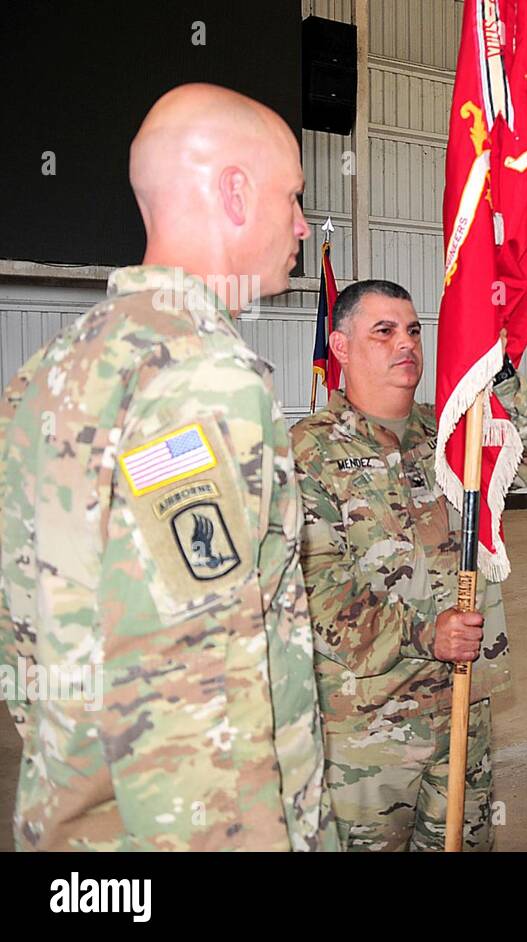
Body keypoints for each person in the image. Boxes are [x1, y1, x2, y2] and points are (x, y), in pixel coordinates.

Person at [0, 84, 337, 850]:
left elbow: (22, 630)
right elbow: (195, 703)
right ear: (236, 191)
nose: (301, 223)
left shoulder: (47, 372)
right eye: (293, 196)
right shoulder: (202, 379)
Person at [292, 279, 527, 851]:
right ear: (339, 348)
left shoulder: (451, 435)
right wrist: (424, 634)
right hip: (369, 730)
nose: (406, 344)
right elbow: (317, 596)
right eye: (383, 331)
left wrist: (500, 367)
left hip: (462, 708)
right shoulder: (308, 451)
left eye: (413, 330)